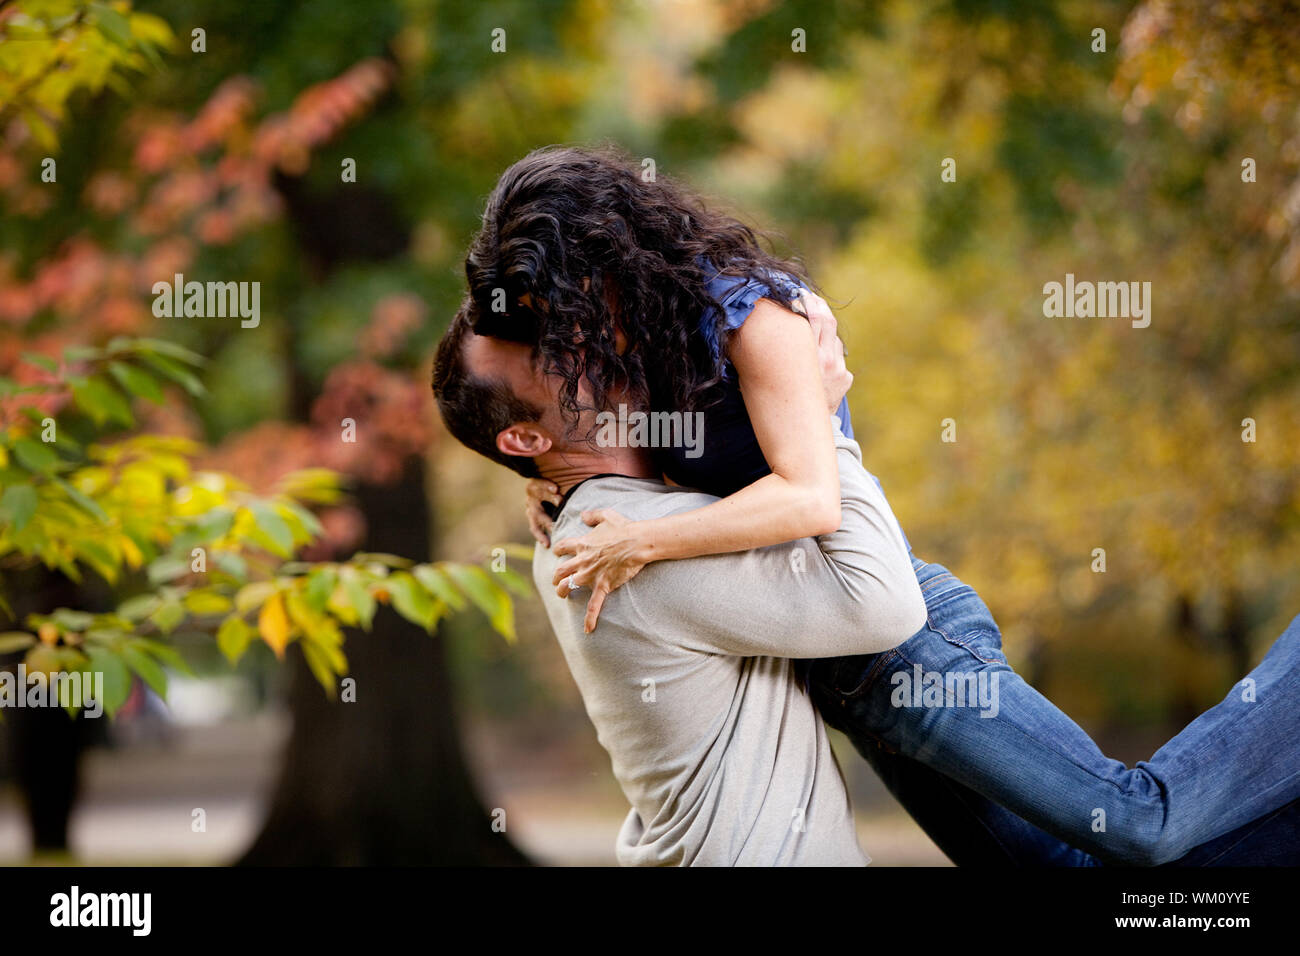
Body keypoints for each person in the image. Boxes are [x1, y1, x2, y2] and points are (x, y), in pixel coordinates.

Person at [457, 145, 1300, 864]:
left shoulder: (751, 318)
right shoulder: (637, 351)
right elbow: (601, 446)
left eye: (560, 307)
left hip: (902, 637)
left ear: (610, 257)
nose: (563, 335)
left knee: (1141, 826)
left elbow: (810, 499)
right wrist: (552, 488)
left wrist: (642, 541)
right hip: (842, 659)